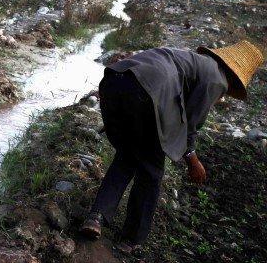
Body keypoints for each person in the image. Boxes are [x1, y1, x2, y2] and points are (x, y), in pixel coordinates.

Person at [80, 40, 264, 246]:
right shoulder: (216, 80)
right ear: (234, 77)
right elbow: (190, 124)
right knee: (151, 172)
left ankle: (96, 217)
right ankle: (131, 240)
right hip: (148, 92)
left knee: (127, 157)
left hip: (115, 80)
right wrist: (192, 160)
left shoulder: (193, 61)